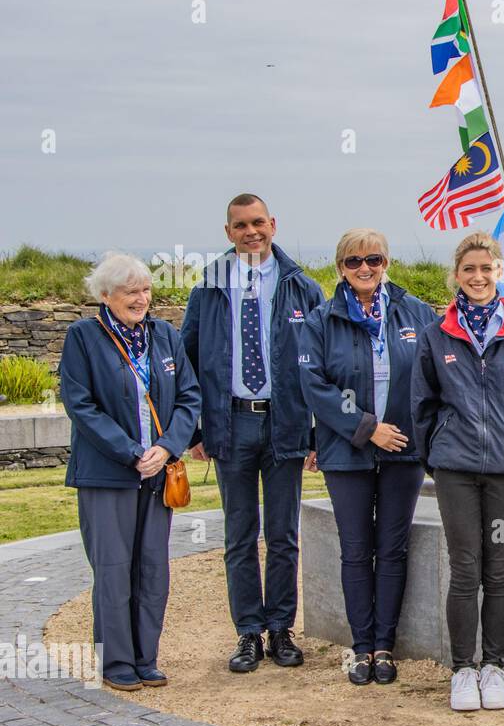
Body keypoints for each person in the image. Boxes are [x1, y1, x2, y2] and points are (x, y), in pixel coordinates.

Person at [181, 193, 324, 674]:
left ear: (273, 224)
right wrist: (196, 427)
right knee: (240, 536)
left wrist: (317, 431)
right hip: (231, 423)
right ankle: (248, 632)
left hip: (285, 422)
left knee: (283, 534)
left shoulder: (301, 287)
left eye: (258, 222)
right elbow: (189, 359)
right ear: (228, 232)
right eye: (240, 225)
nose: (251, 232)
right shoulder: (209, 286)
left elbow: (323, 366)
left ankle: (281, 627)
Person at [411, 231, 504, 711]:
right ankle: (462, 669)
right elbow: (422, 405)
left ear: (499, 272)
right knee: (465, 568)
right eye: (469, 269)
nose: (477, 277)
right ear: (457, 274)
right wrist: (440, 453)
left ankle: (494, 666)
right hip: (457, 472)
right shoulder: (438, 335)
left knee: (499, 568)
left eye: (486, 268)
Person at [298, 229, 436, 686]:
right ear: (340, 268)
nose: (364, 269)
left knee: (392, 550)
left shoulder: (415, 312)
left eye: (373, 260)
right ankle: (360, 648)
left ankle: (384, 646)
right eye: (354, 261)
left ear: (386, 263)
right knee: (356, 552)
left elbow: (433, 375)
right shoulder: (321, 320)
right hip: (347, 452)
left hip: (402, 452)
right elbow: (314, 386)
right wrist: (366, 428)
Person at [62, 253, 201, 691]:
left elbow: (189, 398)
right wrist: (130, 452)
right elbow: (81, 405)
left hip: (159, 473)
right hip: (109, 473)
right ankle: (116, 661)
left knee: (153, 568)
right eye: (130, 292)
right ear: (106, 296)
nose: (141, 299)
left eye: (145, 289)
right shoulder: (84, 336)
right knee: (113, 566)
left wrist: (166, 447)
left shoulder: (165, 336)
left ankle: (146, 657)